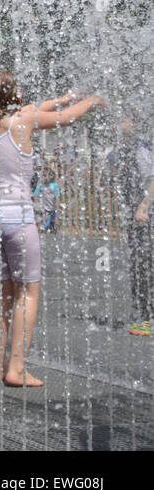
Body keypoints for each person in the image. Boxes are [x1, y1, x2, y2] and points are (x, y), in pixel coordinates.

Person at [0, 73, 102, 387]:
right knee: (27, 292)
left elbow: (39, 107)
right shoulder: (23, 121)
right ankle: (16, 369)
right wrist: (95, 99)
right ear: (12, 96)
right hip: (17, 221)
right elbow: (68, 119)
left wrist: (62, 98)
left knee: (1, 291)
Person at [109, 116, 153, 337]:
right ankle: (142, 315)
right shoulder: (125, 149)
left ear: (134, 124)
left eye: (123, 120)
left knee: (145, 265)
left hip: (145, 216)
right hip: (135, 216)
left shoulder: (141, 149)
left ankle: (148, 318)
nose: (119, 124)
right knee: (137, 265)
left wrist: (144, 206)